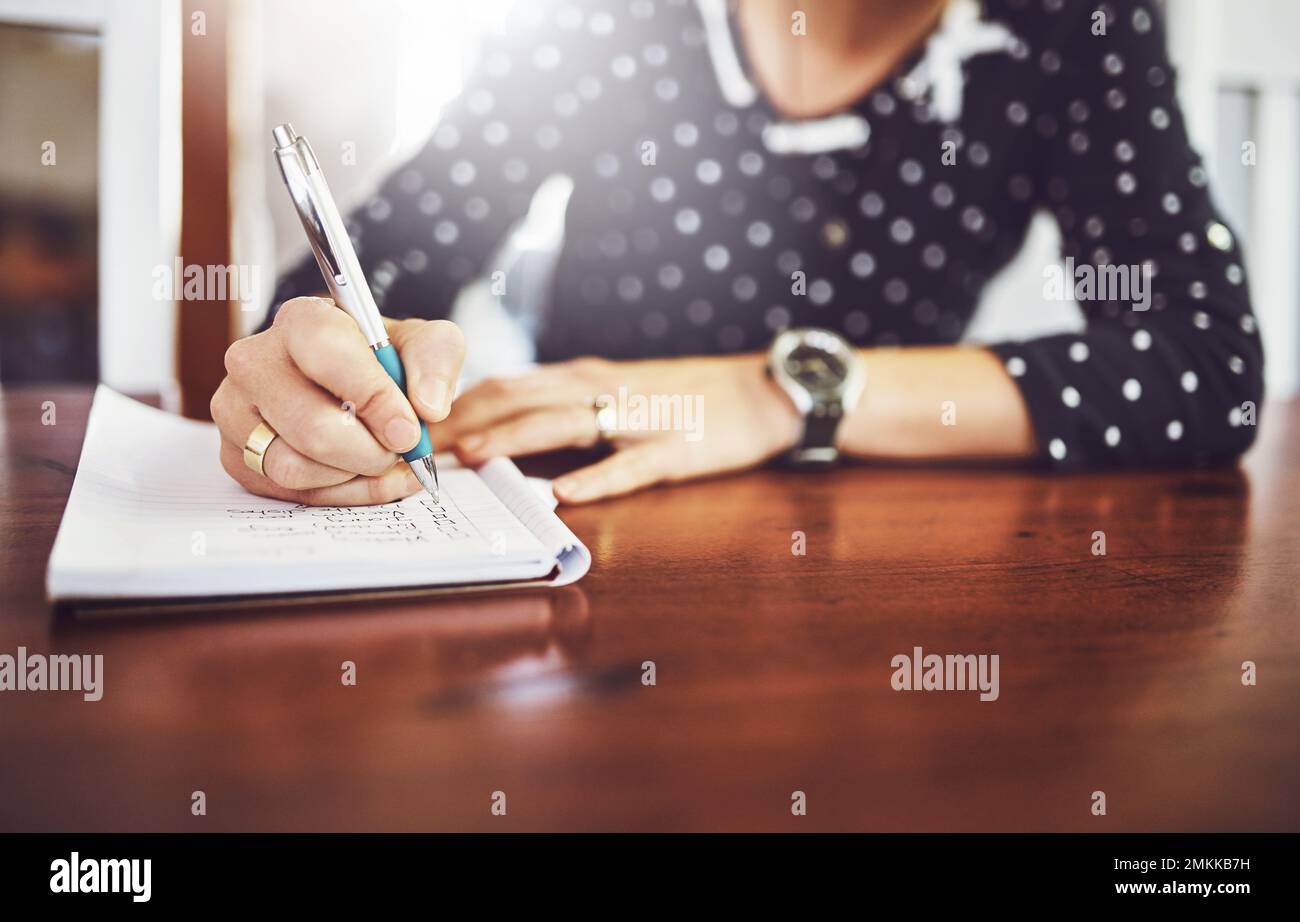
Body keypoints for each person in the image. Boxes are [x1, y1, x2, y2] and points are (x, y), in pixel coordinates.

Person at [212, 0, 1263, 505]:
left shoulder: (1070, 28)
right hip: (588, 537)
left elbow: (1205, 366)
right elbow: (365, 271)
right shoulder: (607, 23)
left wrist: (777, 392)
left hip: (877, 559)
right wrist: (310, 369)